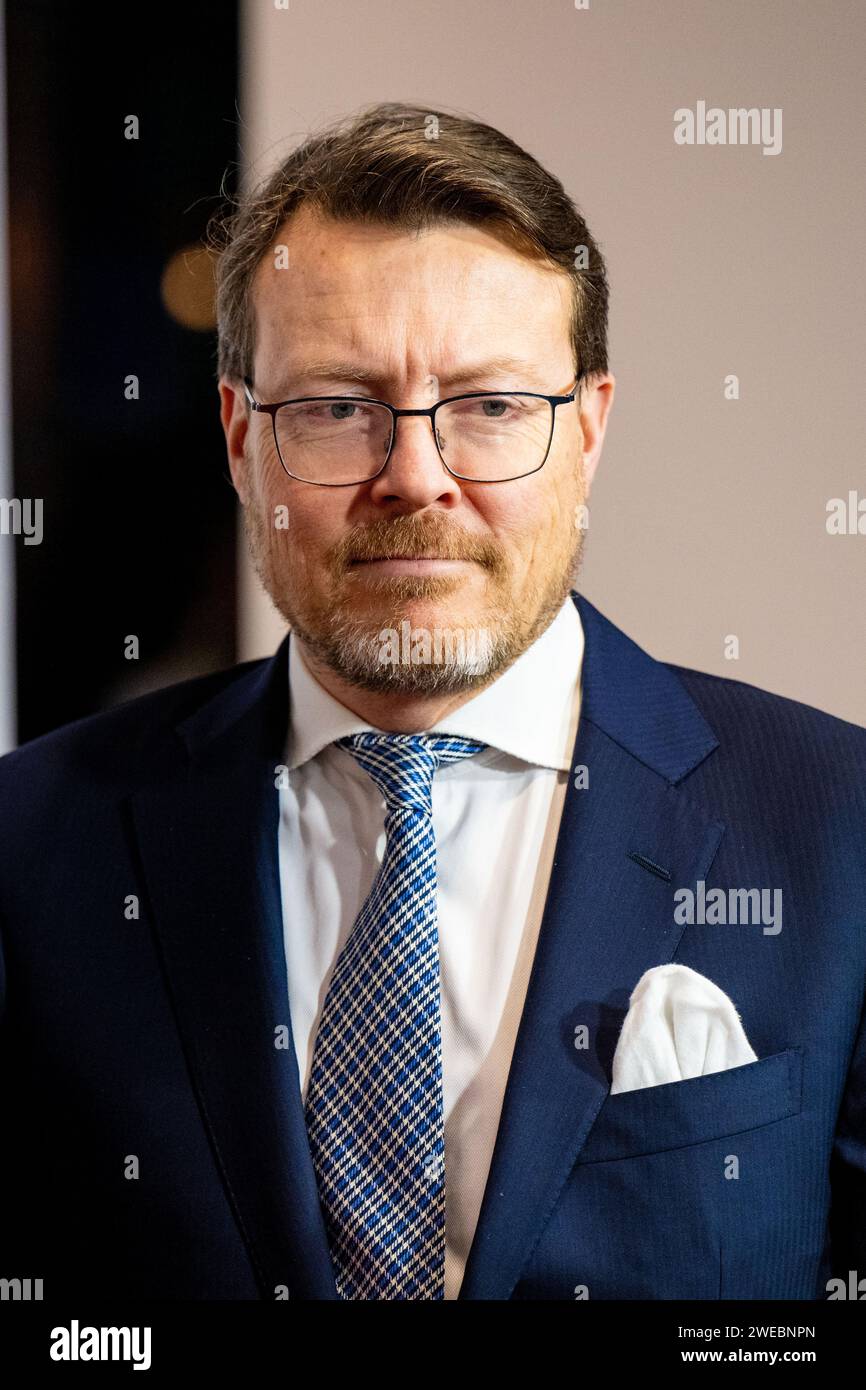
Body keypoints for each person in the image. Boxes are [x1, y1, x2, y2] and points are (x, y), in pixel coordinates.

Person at [0, 102, 864, 1302]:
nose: (413, 476)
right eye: (337, 407)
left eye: (491, 407)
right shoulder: (31, 842)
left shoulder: (838, 828)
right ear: (242, 439)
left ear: (589, 434)